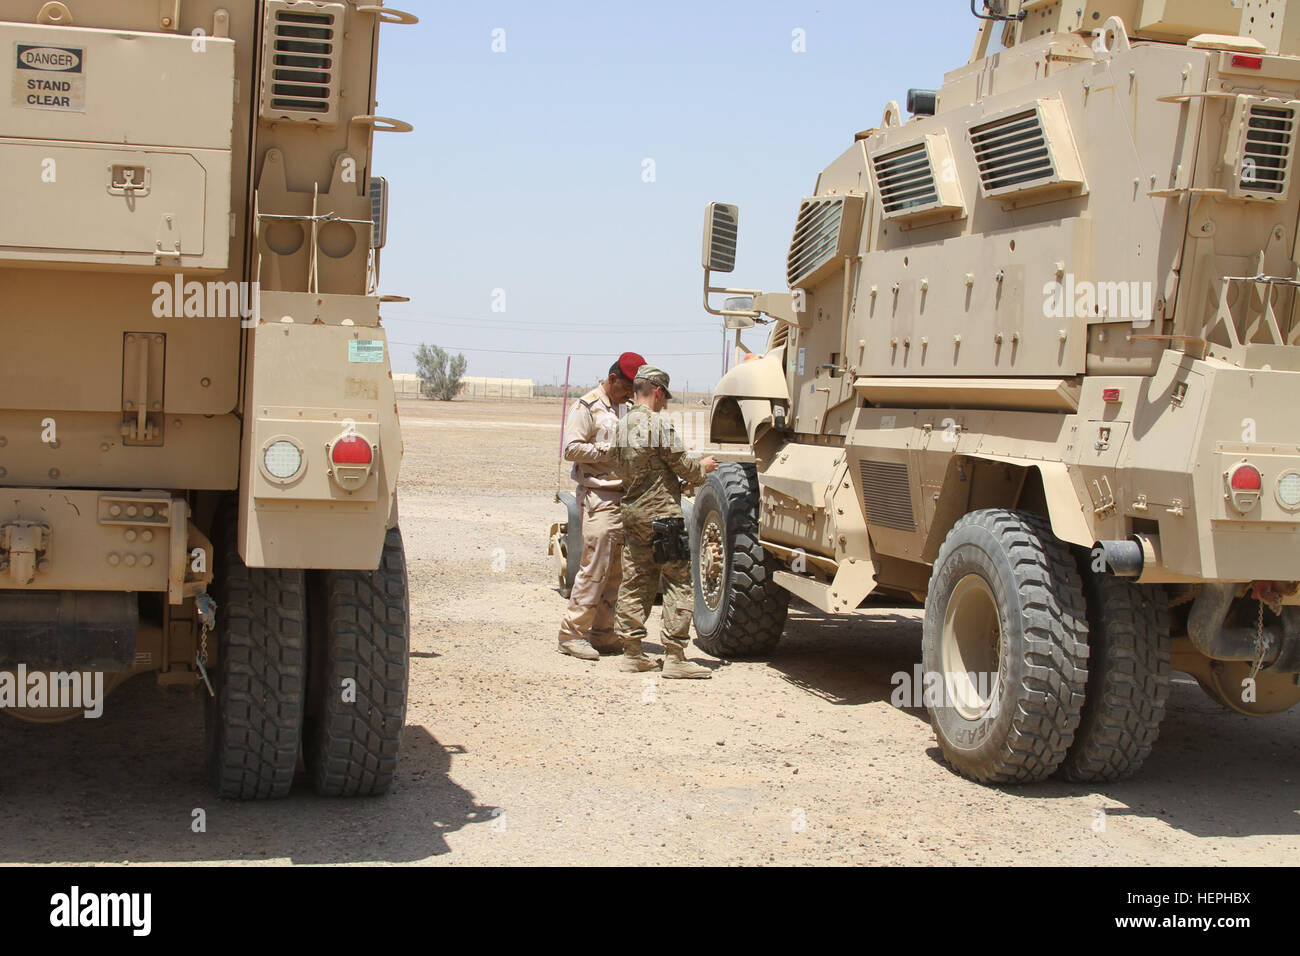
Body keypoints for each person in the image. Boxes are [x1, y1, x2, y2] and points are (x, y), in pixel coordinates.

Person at [614, 365, 719, 678]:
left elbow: (631, 469)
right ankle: (675, 656)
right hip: (664, 517)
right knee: (677, 582)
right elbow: (684, 466)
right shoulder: (656, 424)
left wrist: (670, 481)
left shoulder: (621, 425)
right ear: (657, 391)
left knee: (635, 580)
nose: (665, 403)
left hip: (633, 514)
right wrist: (703, 467)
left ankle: (632, 653)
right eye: (664, 397)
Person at [556, 351, 646, 660]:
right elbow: (569, 449)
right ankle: (572, 634)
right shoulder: (587, 406)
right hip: (598, 496)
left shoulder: (628, 408)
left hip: (624, 497)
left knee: (615, 571)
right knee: (594, 568)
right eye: (626, 388)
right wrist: (609, 451)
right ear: (612, 379)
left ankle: (603, 632)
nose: (629, 394)